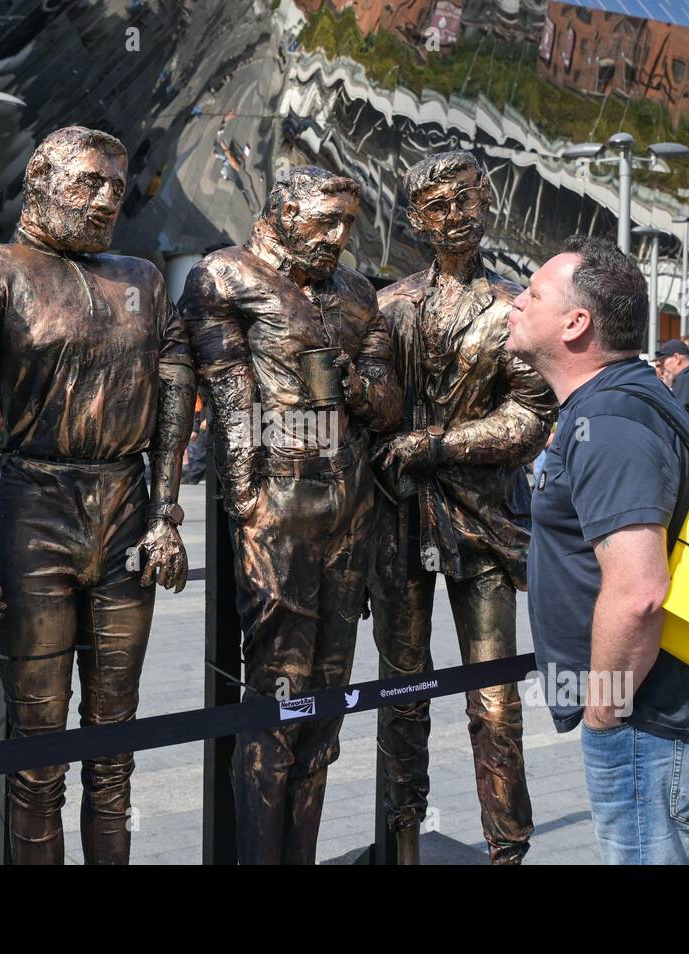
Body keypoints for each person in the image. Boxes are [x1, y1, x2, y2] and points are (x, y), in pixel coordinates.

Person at [0, 126, 196, 865]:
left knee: (116, 746)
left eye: (115, 190)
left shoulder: (142, 277)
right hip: (36, 510)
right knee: (36, 757)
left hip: (126, 510)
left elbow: (174, 392)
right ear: (39, 184)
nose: (104, 201)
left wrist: (165, 514)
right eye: (86, 183)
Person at [506, 234, 689, 865]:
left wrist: (604, 710)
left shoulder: (613, 426)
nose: (517, 302)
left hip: (653, 726)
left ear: (576, 324)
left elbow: (638, 594)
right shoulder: (627, 397)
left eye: (533, 293)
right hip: (683, 715)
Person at [179, 165, 401, 864]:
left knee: (326, 707)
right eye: (324, 221)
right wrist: (247, 501)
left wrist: (351, 384)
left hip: (350, 513)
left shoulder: (360, 294)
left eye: (347, 225)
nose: (338, 237)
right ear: (281, 210)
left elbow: (390, 401)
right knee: (275, 700)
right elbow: (226, 393)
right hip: (279, 507)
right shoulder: (226, 276)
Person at [369, 151, 556, 865]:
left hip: (483, 524)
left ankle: (507, 846)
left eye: (465, 199)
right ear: (416, 221)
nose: (454, 215)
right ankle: (403, 838)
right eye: (437, 206)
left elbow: (531, 416)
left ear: (488, 204)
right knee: (402, 693)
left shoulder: (514, 309)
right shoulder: (386, 306)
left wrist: (438, 443)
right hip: (399, 519)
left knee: (495, 698)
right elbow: (369, 410)